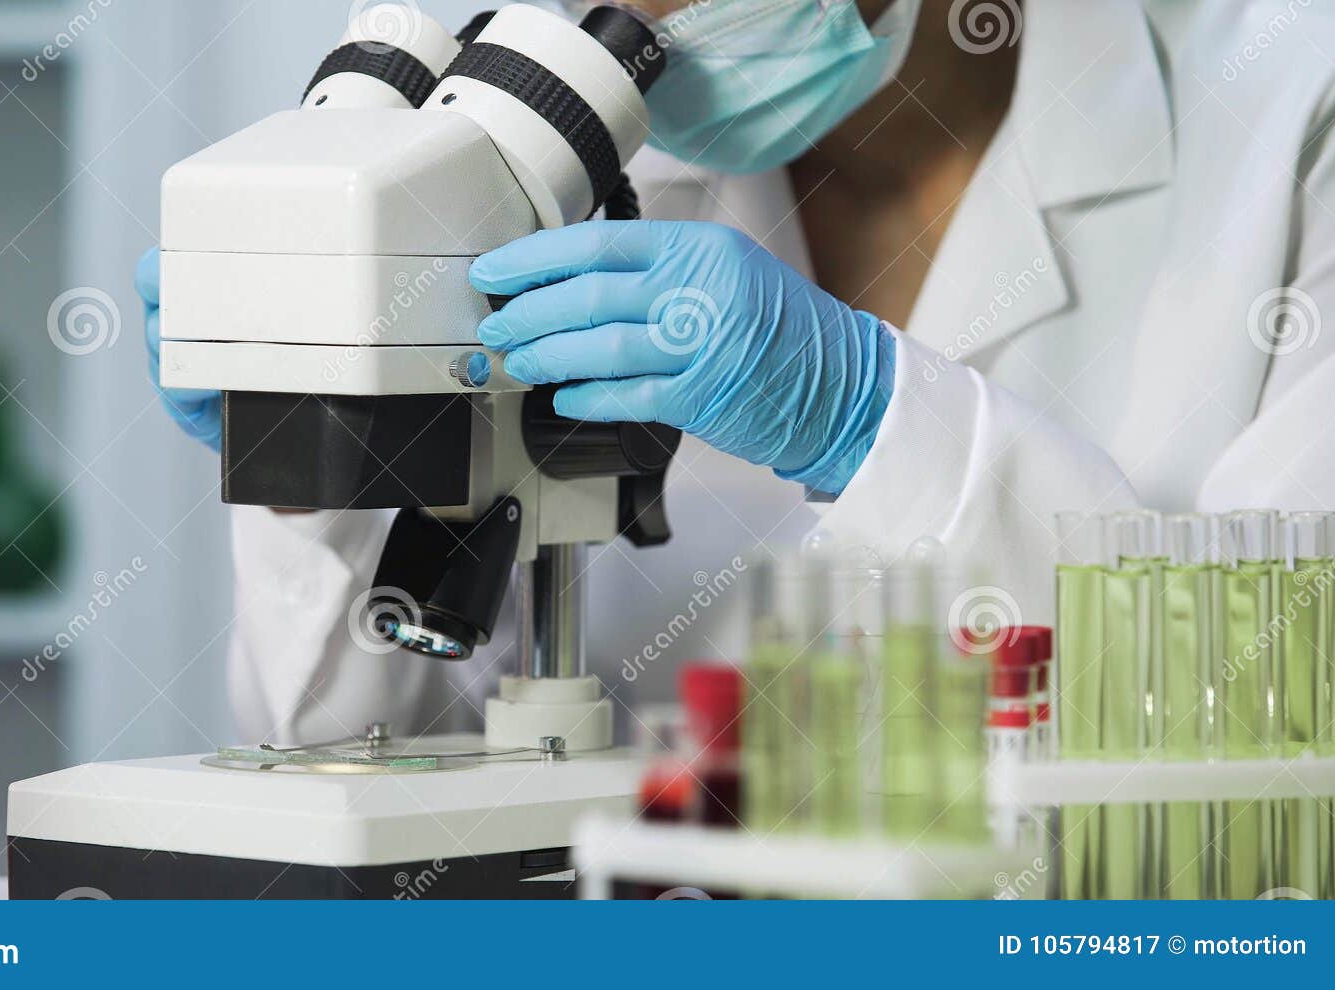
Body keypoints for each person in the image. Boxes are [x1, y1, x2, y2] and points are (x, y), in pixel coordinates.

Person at [139, 0, 1335, 743]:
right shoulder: (562, 172)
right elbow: (351, 747)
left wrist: (875, 423)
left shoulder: (1294, 109)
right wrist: (324, 454)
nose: (639, 13)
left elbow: (1287, 718)